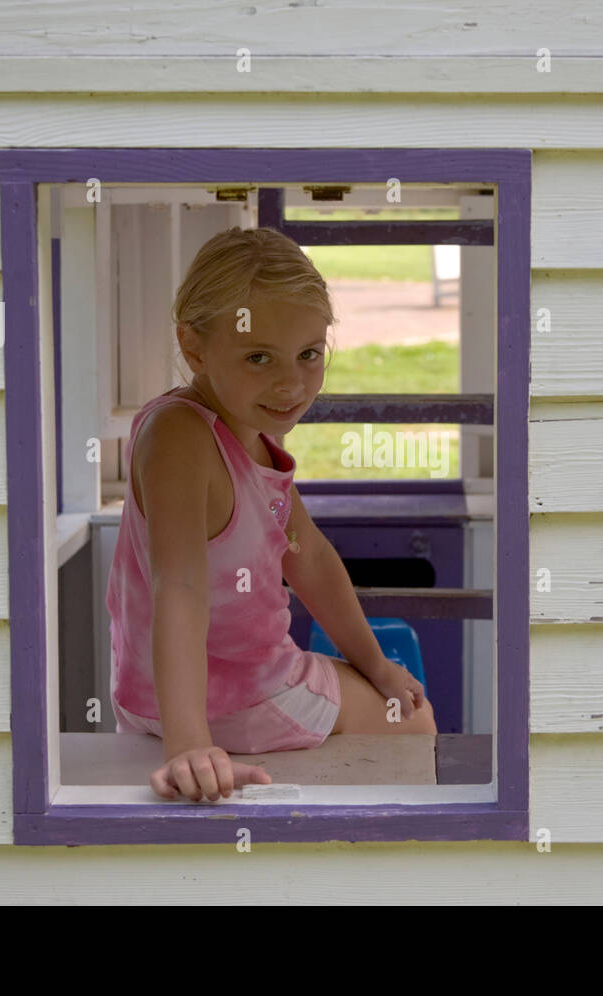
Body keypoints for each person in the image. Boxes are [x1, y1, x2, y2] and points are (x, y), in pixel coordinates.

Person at [106, 226, 438, 804]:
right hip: (242, 697)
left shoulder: (246, 435)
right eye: (259, 357)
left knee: (384, 690)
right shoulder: (182, 435)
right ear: (193, 347)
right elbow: (178, 585)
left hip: (161, 697)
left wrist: (376, 664)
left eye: (309, 354)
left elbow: (307, 556)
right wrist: (189, 745)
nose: (291, 383)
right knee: (414, 721)